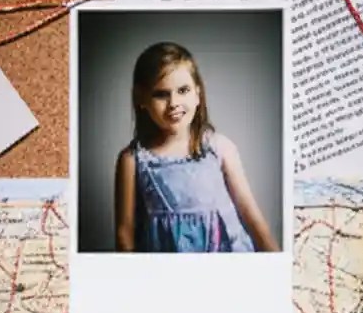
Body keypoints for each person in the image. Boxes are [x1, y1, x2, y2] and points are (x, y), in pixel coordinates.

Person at [115, 42, 280, 253]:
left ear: (197, 94)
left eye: (183, 90)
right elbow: (124, 235)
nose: (174, 102)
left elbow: (250, 214)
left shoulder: (219, 147)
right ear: (141, 99)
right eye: (161, 94)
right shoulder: (132, 160)